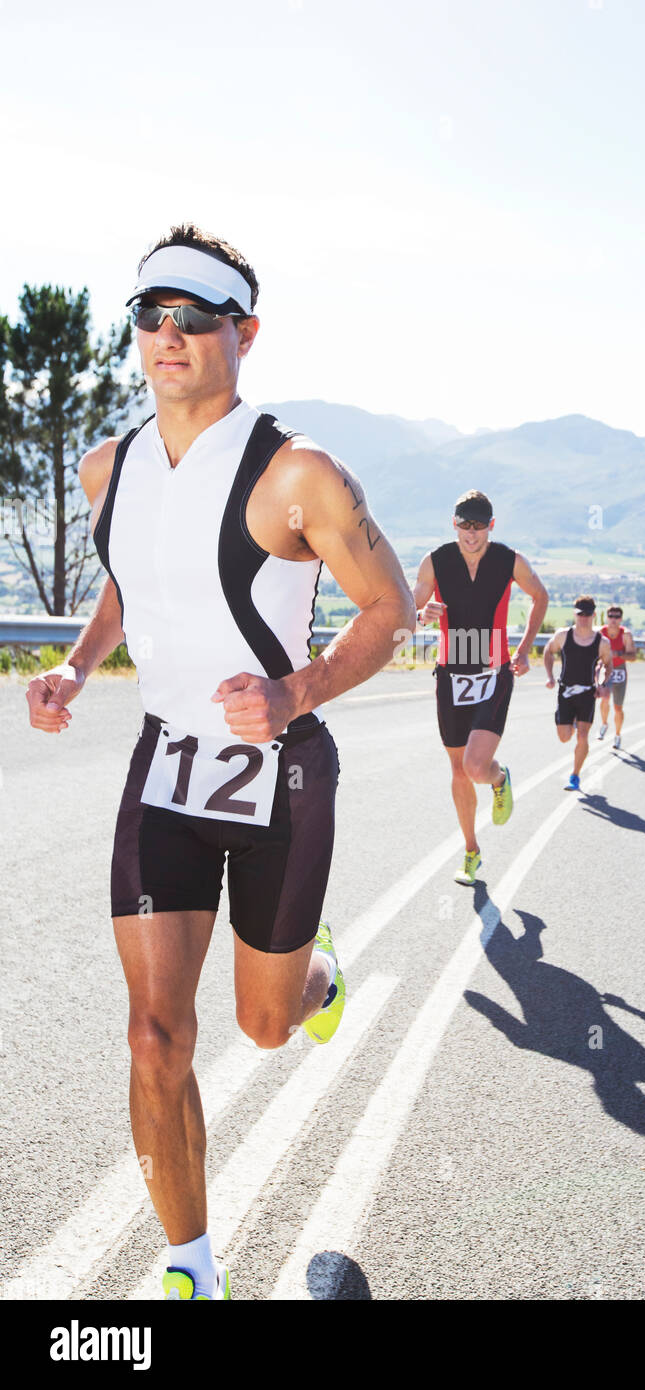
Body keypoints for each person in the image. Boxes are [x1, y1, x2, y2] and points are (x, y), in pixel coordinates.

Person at [24, 224, 415, 1301]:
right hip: (167, 767)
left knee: (265, 1023)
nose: (170, 336)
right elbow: (124, 584)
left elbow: (393, 610)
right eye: (150, 315)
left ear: (245, 333)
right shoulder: (112, 466)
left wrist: (292, 691)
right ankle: (192, 1265)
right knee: (156, 1032)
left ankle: (314, 974)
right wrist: (76, 663)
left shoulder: (300, 476)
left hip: (282, 768)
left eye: (196, 318)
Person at [413, 491, 549, 884]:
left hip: (493, 673)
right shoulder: (434, 560)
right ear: (453, 523)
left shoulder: (510, 560)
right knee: (458, 770)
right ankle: (471, 851)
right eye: (463, 526)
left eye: (478, 527)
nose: (470, 535)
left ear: (491, 526)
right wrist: (422, 614)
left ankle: (499, 777)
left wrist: (523, 651)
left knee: (476, 767)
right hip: (450, 676)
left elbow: (540, 596)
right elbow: (412, 606)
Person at [544, 596, 613, 789]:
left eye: (587, 614)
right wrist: (550, 676)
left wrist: (601, 683)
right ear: (575, 614)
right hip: (565, 692)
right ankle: (570, 721)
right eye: (580, 614)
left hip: (587, 694)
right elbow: (548, 652)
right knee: (564, 737)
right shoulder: (563, 636)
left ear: (594, 615)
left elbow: (608, 665)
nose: (583, 618)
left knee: (583, 735)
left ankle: (575, 775)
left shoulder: (602, 642)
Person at [597, 604, 637, 749]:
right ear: (607, 618)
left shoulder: (625, 634)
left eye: (617, 617)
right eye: (611, 616)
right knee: (604, 697)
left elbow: (633, 657)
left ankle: (618, 734)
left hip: (620, 670)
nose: (613, 619)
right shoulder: (600, 632)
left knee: (618, 707)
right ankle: (604, 723)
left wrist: (619, 654)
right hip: (605, 668)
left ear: (620, 619)